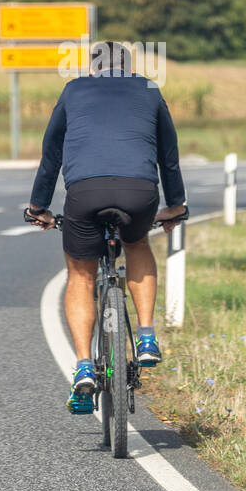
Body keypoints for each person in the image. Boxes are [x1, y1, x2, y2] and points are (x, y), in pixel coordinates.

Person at [26, 41, 188, 413]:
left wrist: (39, 207)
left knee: (80, 275)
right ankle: (146, 338)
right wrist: (175, 206)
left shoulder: (74, 90)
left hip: (85, 192)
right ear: (130, 68)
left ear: (94, 69)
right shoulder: (150, 89)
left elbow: (51, 155)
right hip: (139, 193)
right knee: (137, 246)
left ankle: (84, 365)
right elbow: (169, 156)